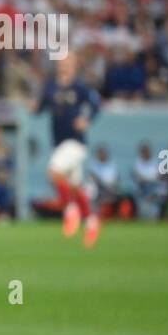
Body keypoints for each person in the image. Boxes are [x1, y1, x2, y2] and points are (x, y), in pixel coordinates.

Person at [33, 54, 101, 246]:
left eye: (68, 63)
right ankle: (92, 221)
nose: (64, 66)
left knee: (53, 172)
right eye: (61, 63)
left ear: (74, 65)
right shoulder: (51, 86)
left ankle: (70, 210)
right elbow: (41, 107)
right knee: (75, 187)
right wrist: (33, 108)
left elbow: (95, 105)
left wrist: (86, 120)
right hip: (59, 143)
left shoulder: (80, 87)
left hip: (76, 143)